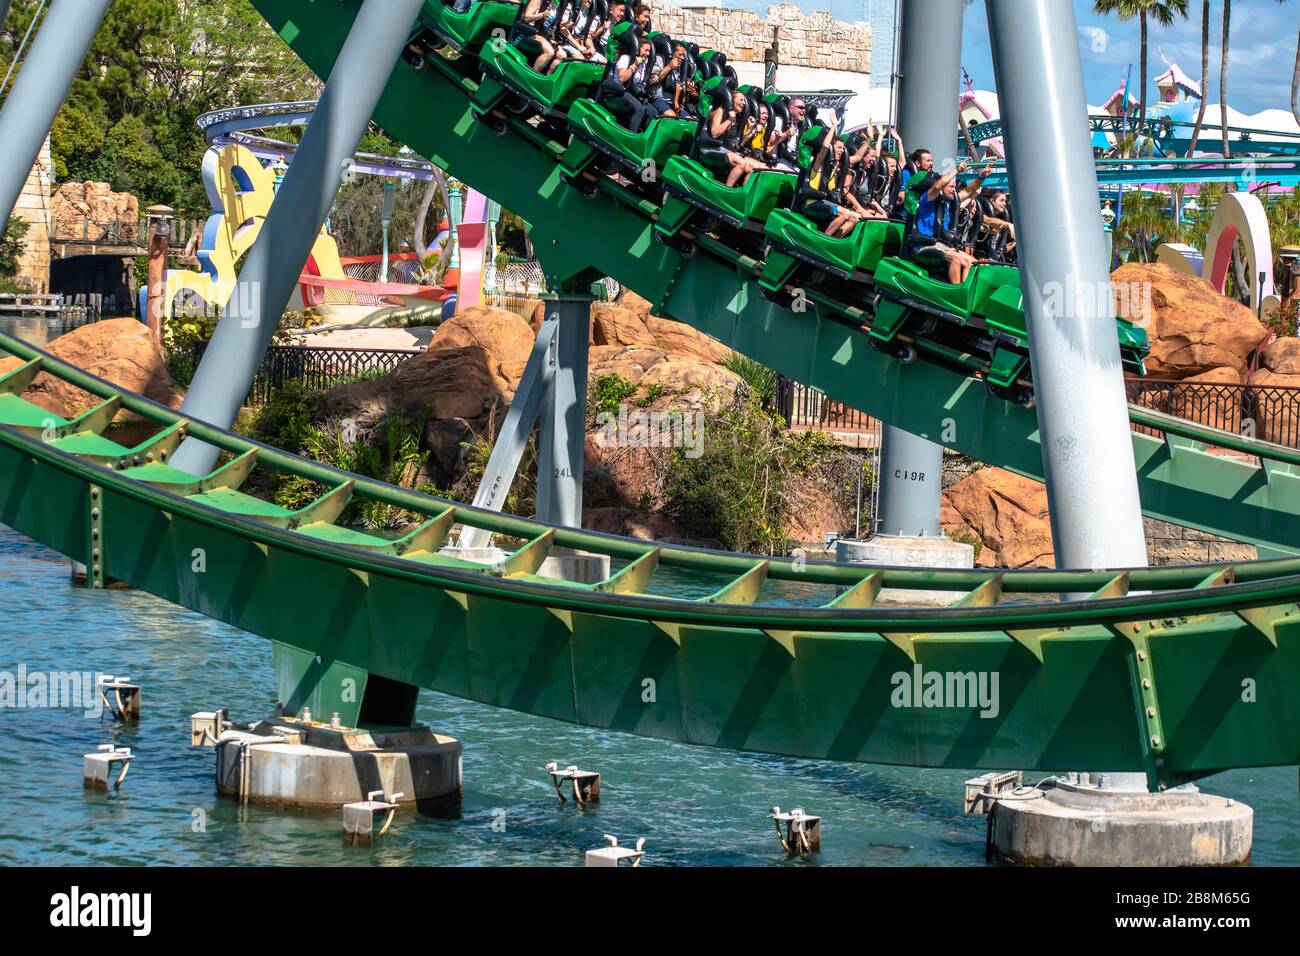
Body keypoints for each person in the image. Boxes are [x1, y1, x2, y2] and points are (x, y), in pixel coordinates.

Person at [910, 160, 990, 283]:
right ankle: (955, 292)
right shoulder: (928, 199)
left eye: (955, 187)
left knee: (972, 262)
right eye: (951, 186)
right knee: (955, 259)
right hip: (923, 245)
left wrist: (981, 177)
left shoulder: (949, 201)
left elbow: (969, 191)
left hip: (941, 244)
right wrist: (957, 170)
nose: (954, 189)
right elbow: (937, 186)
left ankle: (964, 292)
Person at [799, 115, 860, 237]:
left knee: (855, 219)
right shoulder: (819, 164)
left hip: (826, 202)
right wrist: (834, 126)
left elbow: (857, 158)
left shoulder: (834, 167)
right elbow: (826, 146)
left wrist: (869, 140)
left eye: (843, 149)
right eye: (839, 148)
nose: (842, 151)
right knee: (845, 214)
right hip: (812, 202)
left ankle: (834, 242)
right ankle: (823, 239)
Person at [696, 85, 764, 187]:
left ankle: (743, 193)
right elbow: (714, 133)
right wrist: (729, 120)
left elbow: (738, 143)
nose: (743, 103)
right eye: (741, 100)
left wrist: (750, 128)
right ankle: (727, 190)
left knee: (757, 169)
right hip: (713, 148)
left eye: (744, 101)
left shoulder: (736, 117)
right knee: (741, 163)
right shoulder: (721, 110)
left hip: (728, 150)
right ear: (732, 100)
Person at [601, 31, 652, 133]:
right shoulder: (626, 58)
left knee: (652, 112)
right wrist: (634, 65)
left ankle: (643, 139)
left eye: (649, 51)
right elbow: (622, 79)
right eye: (646, 50)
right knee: (639, 109)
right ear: (638, 48)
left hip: (632, 93)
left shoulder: (643, 63)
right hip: (617, 91)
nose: (648, 54)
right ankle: (630, 138)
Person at [510, 0, 566, 74]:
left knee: (562, 55)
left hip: (542, 35)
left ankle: (546, 78)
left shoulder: (553, 5)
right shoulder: (537, 1)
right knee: (549, 52)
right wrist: (541, 15)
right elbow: (526, 18)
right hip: (527, 33)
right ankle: (531, 75)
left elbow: (549, 28)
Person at [643, 38, 684, 118]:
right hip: (657, 98)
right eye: (680, 55)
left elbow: (678, 85)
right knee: (671, 116)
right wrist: (669, 67)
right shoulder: (659, 59)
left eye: (683, 55)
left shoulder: (679, 66)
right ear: (672, 53)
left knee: (690, 120)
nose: (682, 58)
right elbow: (653, 79)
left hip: (672, 102)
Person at [768, 96, 808, 172]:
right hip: (778, 162)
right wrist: (786, 134)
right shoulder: (780, 121)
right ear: (790, 109)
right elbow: (770, 141)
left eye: (804, 108)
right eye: (800, 107)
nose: (803, 110)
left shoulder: (800, 126)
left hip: (792, 163)